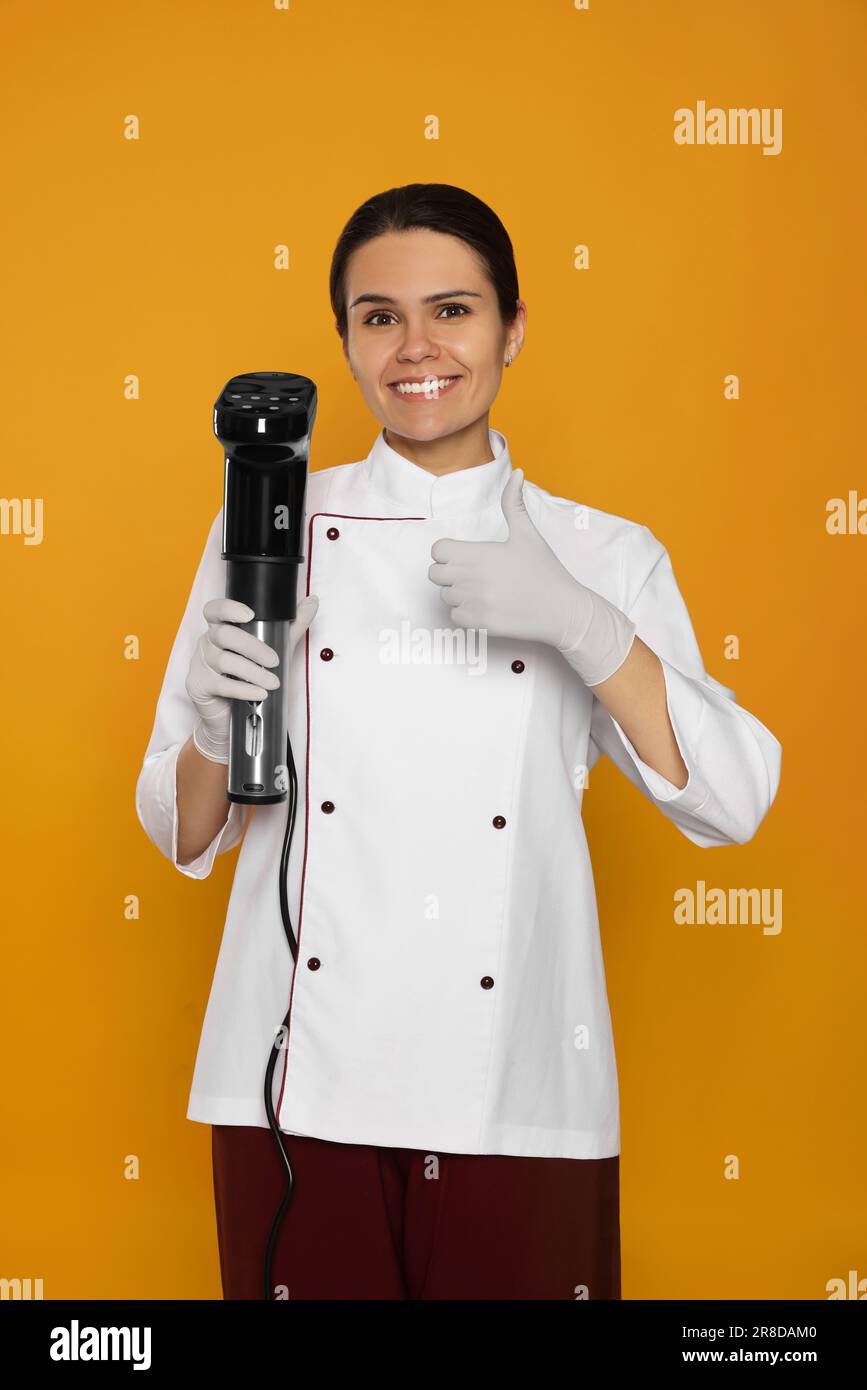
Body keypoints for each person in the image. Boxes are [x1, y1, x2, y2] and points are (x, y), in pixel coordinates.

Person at [135, 182, 782, 1300]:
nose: (417, 347)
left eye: (454, 310)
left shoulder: (600, 549)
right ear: (344, 339)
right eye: (379, 317)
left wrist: (588, 625)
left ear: (513, 327)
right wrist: (210, 719)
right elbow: (189, 832)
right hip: (291, 1084)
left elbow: (731, 799)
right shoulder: (270, 522)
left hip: (516, 1081)